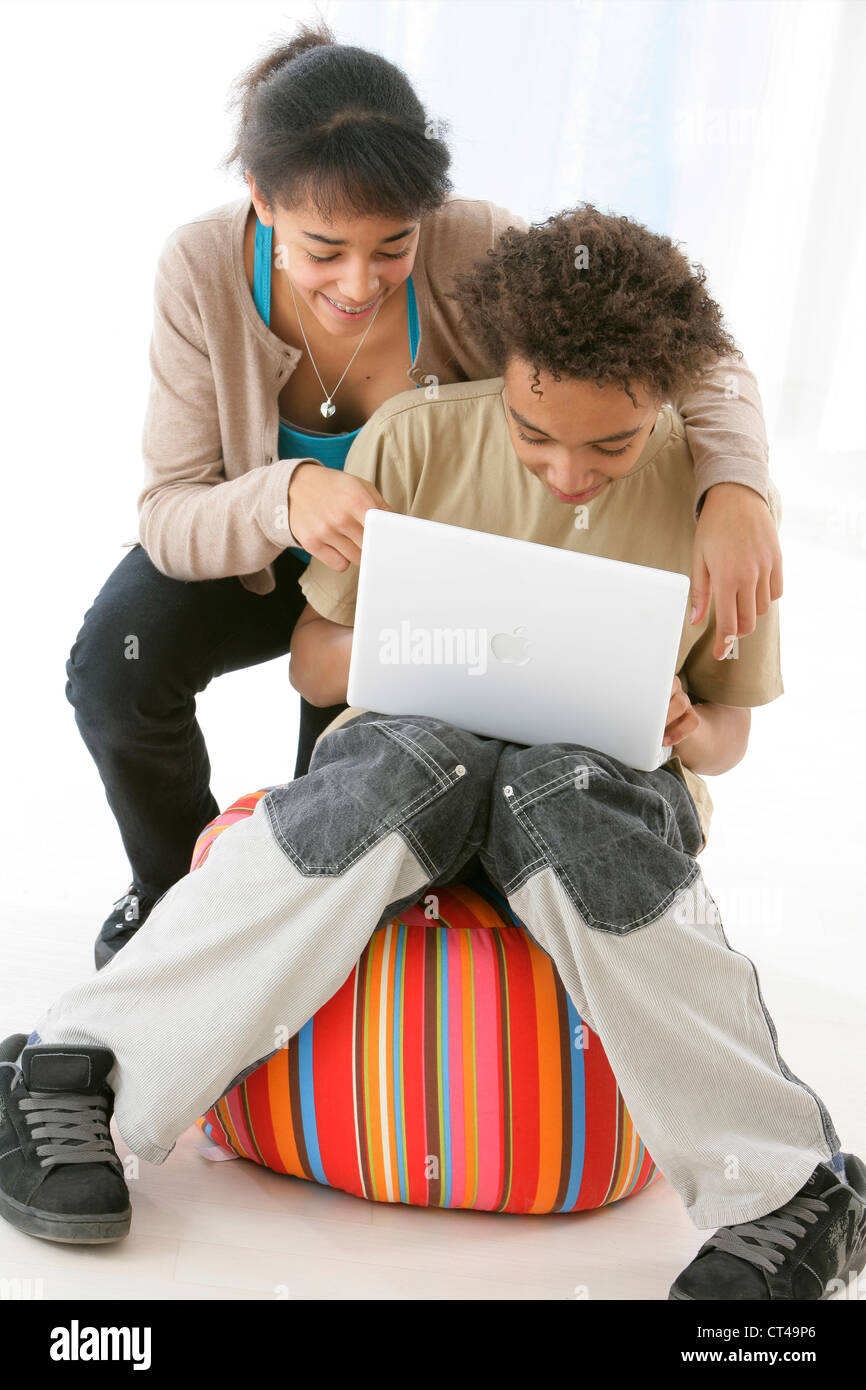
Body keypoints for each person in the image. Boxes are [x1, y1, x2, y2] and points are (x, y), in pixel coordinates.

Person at [2, 206, 862, 1302]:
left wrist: (690, 725)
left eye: (611, 444)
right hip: (410, 762)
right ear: (496, 371)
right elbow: (313, 662)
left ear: (664, 402)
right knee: (415, 758)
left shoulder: (710, 496)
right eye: (533, 435)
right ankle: (77, 1062)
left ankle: (790, 1186)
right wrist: (414, 652)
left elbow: (730, 738)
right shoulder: (415, 438)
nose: (568, 474)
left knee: (558, 786)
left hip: (599, 788)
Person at [69, 20, 784, 972]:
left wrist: (735, 485)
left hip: (404, 583)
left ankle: (331, 949)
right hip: (253, 558)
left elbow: (685, 342)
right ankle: (175, 901)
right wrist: (289, 497)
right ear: (260, 199)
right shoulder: (197, 269)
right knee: (114, 672)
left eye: (392, 246)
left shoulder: (478, 242)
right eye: (322, 251)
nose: (357, 284)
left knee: (353, 797)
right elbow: (168, 512)